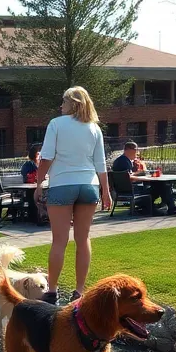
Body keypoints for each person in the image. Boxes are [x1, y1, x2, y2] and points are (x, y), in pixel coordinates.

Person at [35, 87, 111, 304]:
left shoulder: (56, 124)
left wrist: (39, 183)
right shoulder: (94, 128)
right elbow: (101, 163)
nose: (61, 106)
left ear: (73, 103)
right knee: (83, 239)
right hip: (89, 186)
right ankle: (79, 291)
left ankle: (52, 291)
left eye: (63, 101)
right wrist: (106, 191)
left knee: (59, 241)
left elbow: (46, 157)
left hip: (62, 184)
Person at [112, 141, 176, 216]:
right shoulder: (123, 161)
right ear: (128, 150)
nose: (137, 152)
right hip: (132, 191)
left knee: (161, 185)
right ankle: (170, 207)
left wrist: (139, 173)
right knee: (162, 186)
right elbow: (128, 177)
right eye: (136, 150)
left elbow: (127, 175)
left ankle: (164, 207)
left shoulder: (122, 160)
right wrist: (144, 178)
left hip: (125, 190)